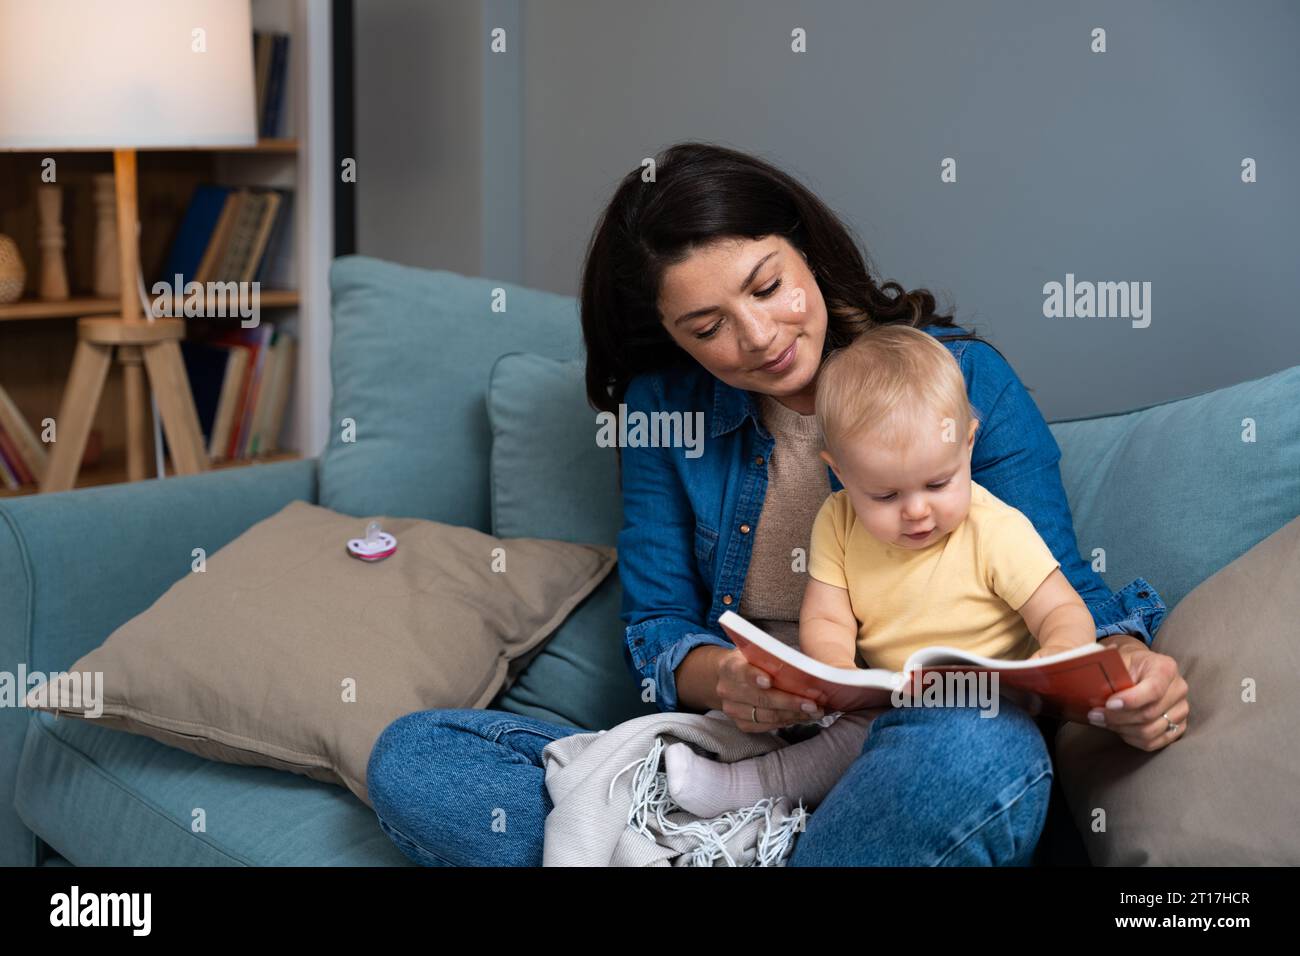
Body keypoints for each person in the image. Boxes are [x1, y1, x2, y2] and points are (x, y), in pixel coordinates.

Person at [366, 142, 1189, 867]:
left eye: (768, 287)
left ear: (805, 249)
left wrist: (1125, 674)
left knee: (979, 748)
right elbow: (656, 624)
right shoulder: (667, 410)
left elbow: (1058, 581)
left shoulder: (960, 380)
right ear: (669, 333)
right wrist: (724, 679)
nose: (759, 336)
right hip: (739, 761)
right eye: (708, 325)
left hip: (906, 752)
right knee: (417, 757)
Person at [662, 324, 1101, 818]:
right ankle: (747, 788)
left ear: (968, 446)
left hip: (992, 712)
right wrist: (837, 674)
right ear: (842, 473)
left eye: (938, 483)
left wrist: (1058, 654)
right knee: (848, 740)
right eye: (886, 495)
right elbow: (828, 617)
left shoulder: (993, 527)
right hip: (889, 702)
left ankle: (767, 790)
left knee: (908, 743)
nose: (916, 511)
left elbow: (1063, 607)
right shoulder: (838, 520)